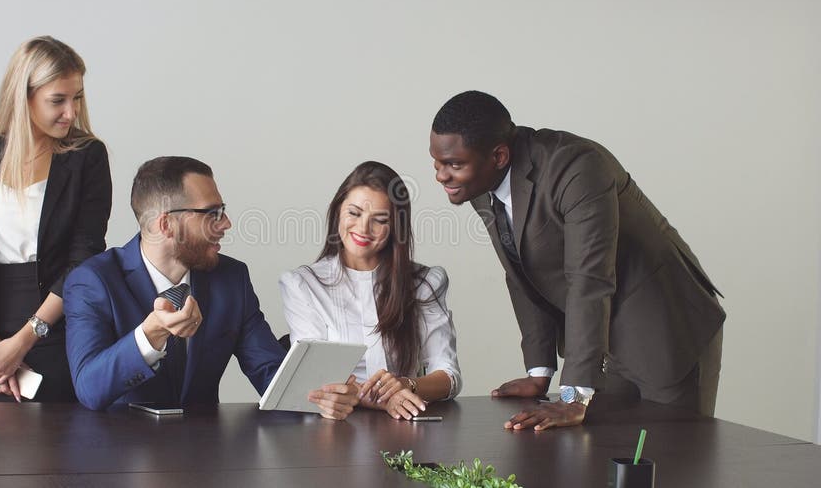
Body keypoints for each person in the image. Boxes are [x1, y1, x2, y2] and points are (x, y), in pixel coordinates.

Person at [429, 90, 725, 430]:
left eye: (454, 164)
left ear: (498, 156)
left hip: (666, 328)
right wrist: (539, 372)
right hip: (601, 336)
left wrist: (573, 397)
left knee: (672, 463)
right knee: (601, 456)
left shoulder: (577, 167)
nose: (441, 175)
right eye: (436, 163)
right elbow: (520, 268)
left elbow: (589, 276)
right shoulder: (481, 183)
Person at [63, 156, 360, 418]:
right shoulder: (93, 281)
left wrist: (322, 397)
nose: (227, 223)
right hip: (118, 463)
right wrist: (148, 337)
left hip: (207, 459)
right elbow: (89, 389)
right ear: (166, 225)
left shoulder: (232, 278)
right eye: (212, 213)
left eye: (224, 210)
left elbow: (270, 372)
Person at [0, 36, 112, 402]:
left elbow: (83, 258)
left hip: (59, 325)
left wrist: (24, 340)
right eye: (57, 100)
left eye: (77, 98)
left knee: (50, 453)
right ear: (22, 96)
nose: (71, 112)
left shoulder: (87, 156)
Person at [280, 161, 461, 420]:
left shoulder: (425, 282)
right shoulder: (303, 284)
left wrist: (406, 385)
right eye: (354, 213)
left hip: (406, 426)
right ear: (337, 212)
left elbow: (449, 375)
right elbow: (315, 382)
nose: (363, 229)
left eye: (379, 220)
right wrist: (384, 400)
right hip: (337, 430)